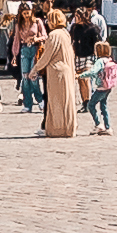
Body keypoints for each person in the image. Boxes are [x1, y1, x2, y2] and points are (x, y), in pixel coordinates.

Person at [37, 7, 78, 139]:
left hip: (57, 72)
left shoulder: (54, 35)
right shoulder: (65, 33)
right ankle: (69, 127)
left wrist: (35, 69)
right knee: (67, 100)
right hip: (67, 70)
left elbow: (46, 56)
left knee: (56, 101)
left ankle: (57, 129)